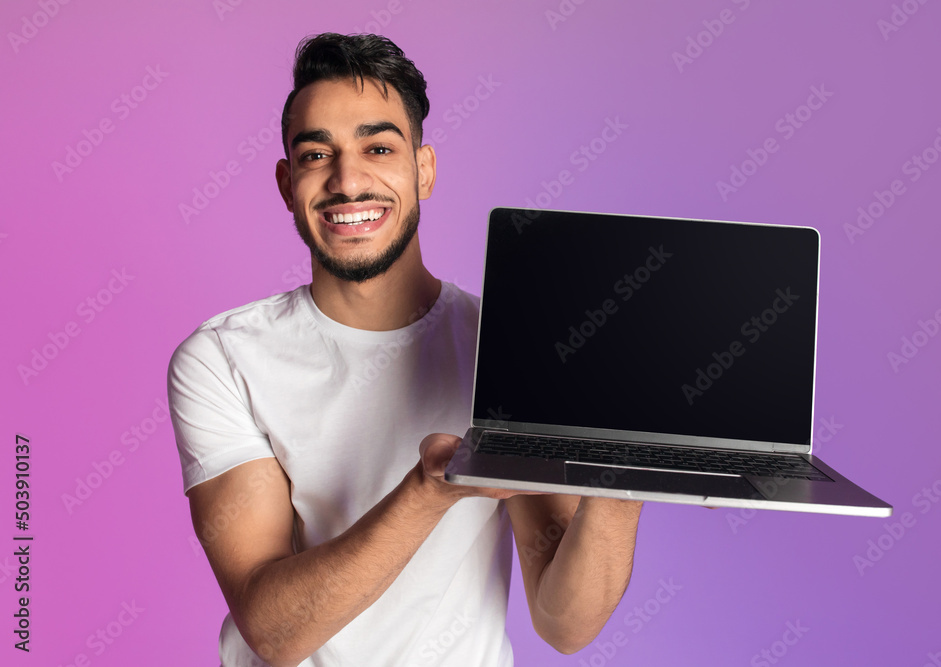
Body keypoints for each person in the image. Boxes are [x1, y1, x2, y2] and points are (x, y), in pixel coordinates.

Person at [167, 32, 642, 667]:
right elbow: (274, 633)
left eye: (378, 147)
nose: (348, 180)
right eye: (316, 154)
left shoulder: (507, 346)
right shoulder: (221, 359)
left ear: (423, 171)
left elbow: (565, 625)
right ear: (287, 183)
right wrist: (429, 490)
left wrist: (626, 472)